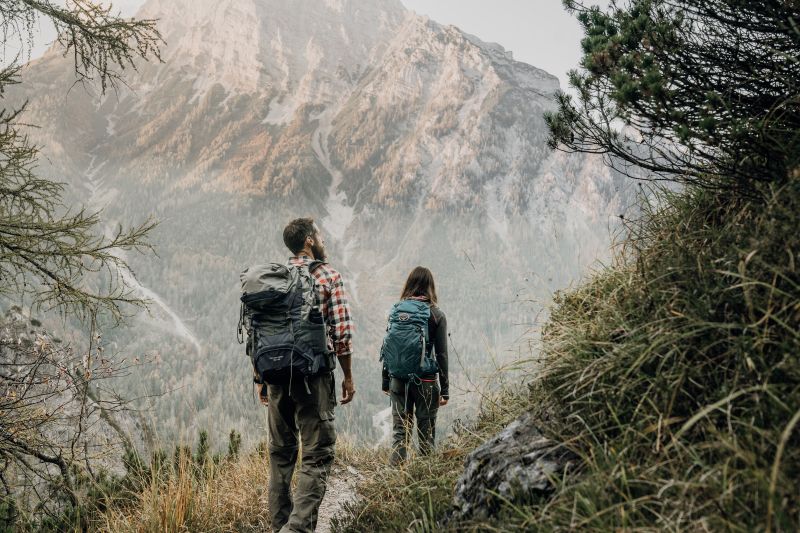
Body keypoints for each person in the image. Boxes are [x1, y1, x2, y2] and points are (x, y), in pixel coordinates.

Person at [257, 217, 355, 533]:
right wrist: (348, 376)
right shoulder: (328, 276)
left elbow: (258, 332)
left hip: (274, 376)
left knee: (280, 455)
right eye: (320, 235)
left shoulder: (272, 279)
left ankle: (281, 526)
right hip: (314, 377)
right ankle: (297, 530)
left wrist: (261, 377)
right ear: (310, 240)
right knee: (317, 455)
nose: (324, 239)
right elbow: (341, 334)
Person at [382, 266, 449, 464]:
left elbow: (388, 346)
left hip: (398, 380)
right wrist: (445, 389)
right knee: (426, 435)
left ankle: (393, 486)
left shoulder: (396, 310)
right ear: (430, 287)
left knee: (400, 434)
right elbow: (442, 354)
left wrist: (386, 381)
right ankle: (424, 486)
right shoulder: (436, 314)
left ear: (409, 285)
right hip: (425, 381)